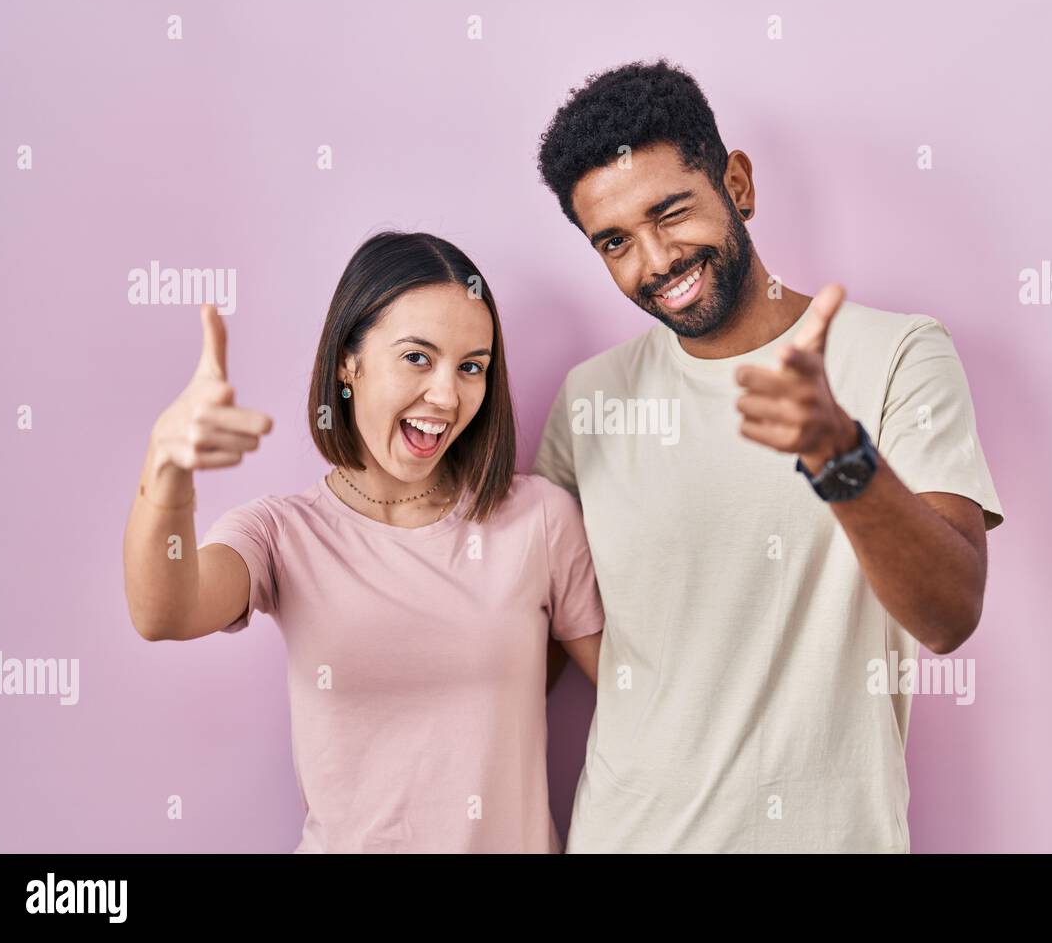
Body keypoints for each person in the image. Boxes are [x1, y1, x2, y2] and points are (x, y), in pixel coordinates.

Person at [532, 60, 1005, 852]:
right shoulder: (589, 400)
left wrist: (836, 452)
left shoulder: (899, 354)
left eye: (670, 213)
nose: (654, 262)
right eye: (614, 242)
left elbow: (950, 615)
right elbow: (519, 624)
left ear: (737, 184)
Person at [122, 231, 604, 853]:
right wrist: (166, 471)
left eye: (471, 367)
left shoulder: (539, 518)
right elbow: (165, 611)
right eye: (416, 357)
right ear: (348, 362)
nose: (447, 395)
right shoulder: (281, 533)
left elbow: (636, 698)